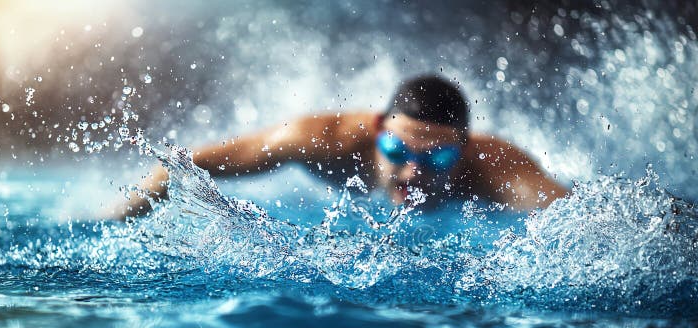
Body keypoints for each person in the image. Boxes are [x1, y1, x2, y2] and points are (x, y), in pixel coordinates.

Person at [119, 75, 568, 218]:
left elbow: (573, 216)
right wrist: (114, 219)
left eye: (439, 157)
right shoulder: (322, 141)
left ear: (464, 150)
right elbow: (178, 166)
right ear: (378, 131)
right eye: (398, 151)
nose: (414, 172)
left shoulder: (493, 167)